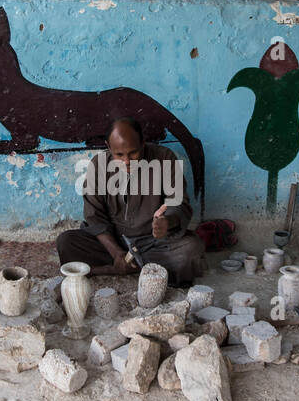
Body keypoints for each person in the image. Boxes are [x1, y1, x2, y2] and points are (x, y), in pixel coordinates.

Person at [57, 118, 206, 285]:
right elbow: (94, 216)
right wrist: (117, 253)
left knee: (191, 249)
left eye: (133, 153)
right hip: (114, 241)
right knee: (66, 242)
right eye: (119, 155)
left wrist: (167, 222)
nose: (127, 161)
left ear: (143, 143)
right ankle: (138, 267)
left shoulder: (164, 158)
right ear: (108, 147)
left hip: (153, 242)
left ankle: (115, 269)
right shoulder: (98, 165)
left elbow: (179, 203)